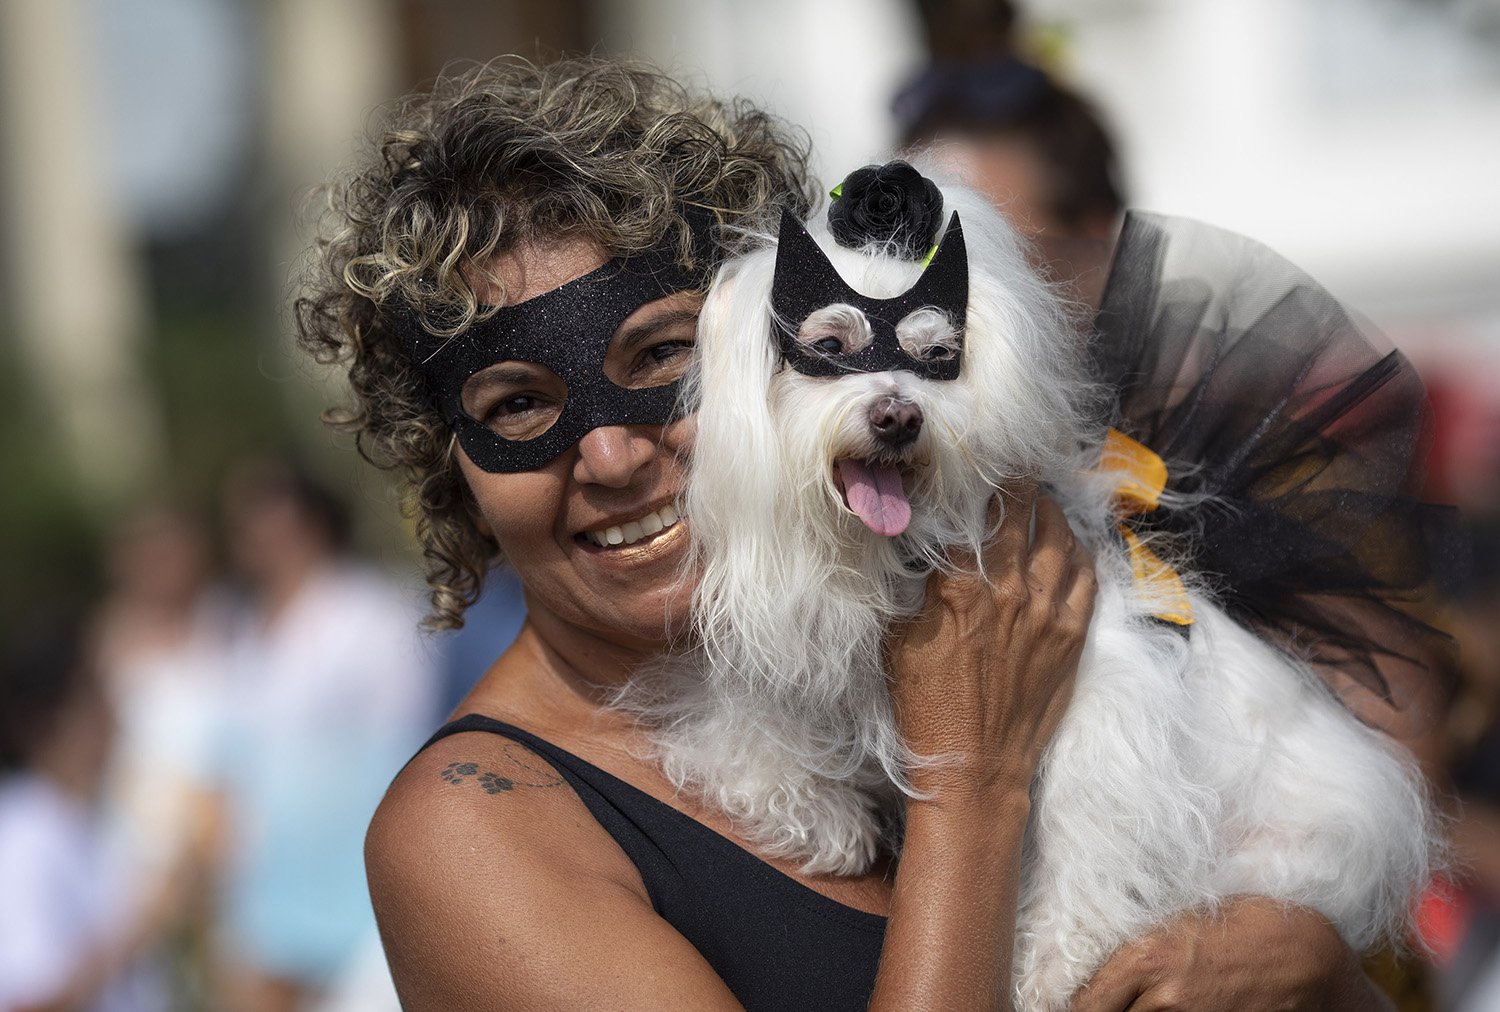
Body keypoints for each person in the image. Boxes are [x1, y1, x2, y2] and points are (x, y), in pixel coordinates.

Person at [297, 55, 1402, 1010]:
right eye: (517, 408)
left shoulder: (955, 615)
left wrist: (1309, 969)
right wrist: (971, 778)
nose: (612, 456)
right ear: (455, 475)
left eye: (661, 358)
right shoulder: (477, 835)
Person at [211, 459, 435, 1012]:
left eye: (267, 513)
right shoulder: (238, 628)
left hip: (360, 896)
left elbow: (412, 747)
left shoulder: (375, 613)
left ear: (310, 520)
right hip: (266, 898)